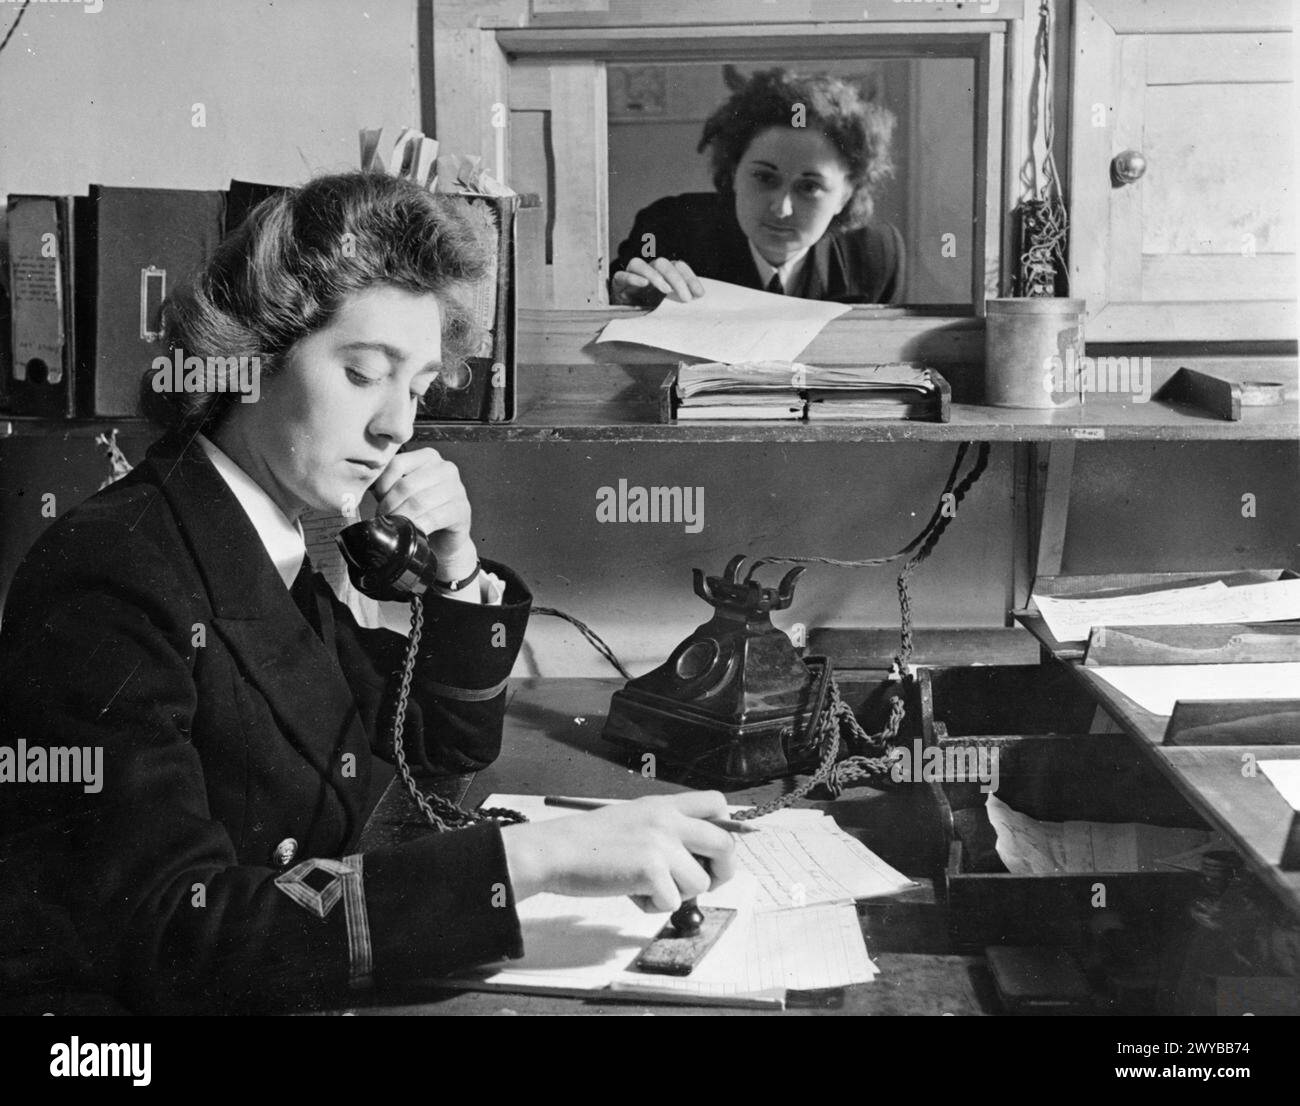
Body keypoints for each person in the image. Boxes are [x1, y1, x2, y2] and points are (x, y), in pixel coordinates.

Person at [0, 171, 736, 1015]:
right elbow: (173, 936)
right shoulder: (113, 575)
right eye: (363, 374)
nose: (398, 425)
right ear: (251, 358)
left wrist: (455, 572)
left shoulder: (262, 538)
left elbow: (430, 749)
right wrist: (527, 865)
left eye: (416, 388)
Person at [611, 67, 904, 307]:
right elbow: (614, 303)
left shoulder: (875, 254)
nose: (781, 208)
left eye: (810, 187)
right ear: (734, 172)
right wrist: (623, 300)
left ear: (846, 195)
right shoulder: (668, 229)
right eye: (765, 178)